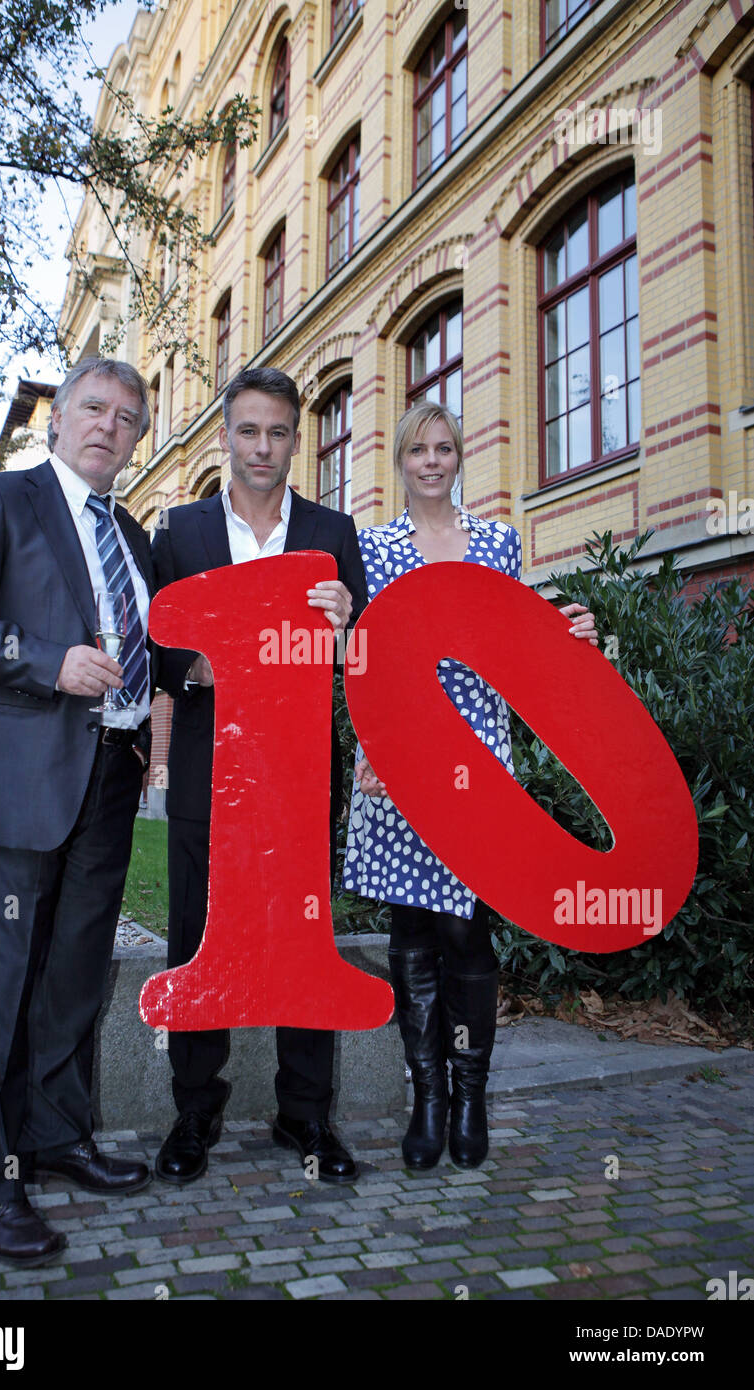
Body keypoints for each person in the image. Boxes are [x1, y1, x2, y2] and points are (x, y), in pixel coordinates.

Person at [0, 357, 158, 1267]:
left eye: (127, 417)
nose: (108, 425)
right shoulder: (2, 499)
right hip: (20, 780)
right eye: (93, 408)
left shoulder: (131, 535)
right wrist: (44, 658)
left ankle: (56, 1137)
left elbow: (154, 645)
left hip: (108, 781)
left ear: (137, 438)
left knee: (71, 980)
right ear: (59, 420)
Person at [343, 400, 598, 1172]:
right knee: (413, 927)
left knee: (465, 927)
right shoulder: (374, 545)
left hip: (475, 751)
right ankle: (426, 1100)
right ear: (399, 459)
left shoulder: (495, 541)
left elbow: (510, 641)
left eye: (443, 448)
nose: (430, 461)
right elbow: (368, 652)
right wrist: (375, 749)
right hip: (398, 753)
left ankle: (469, 1095)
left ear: (460, 457)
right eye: (417, 449)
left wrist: (568, 634)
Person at [151, 365, 367, 1185]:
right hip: (209, 775)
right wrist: (196, 664)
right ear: (225, 437)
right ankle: (193, 1115)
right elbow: (156, 652)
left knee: (302, 945)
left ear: (294, 439)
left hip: (296, 781)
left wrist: (349, 628)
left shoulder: (331, 532)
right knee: (194, 942)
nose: (263, 447)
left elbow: (365, 660)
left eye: (278, 432)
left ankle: (305, 1117)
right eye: (248, 430)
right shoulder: (179, 532)